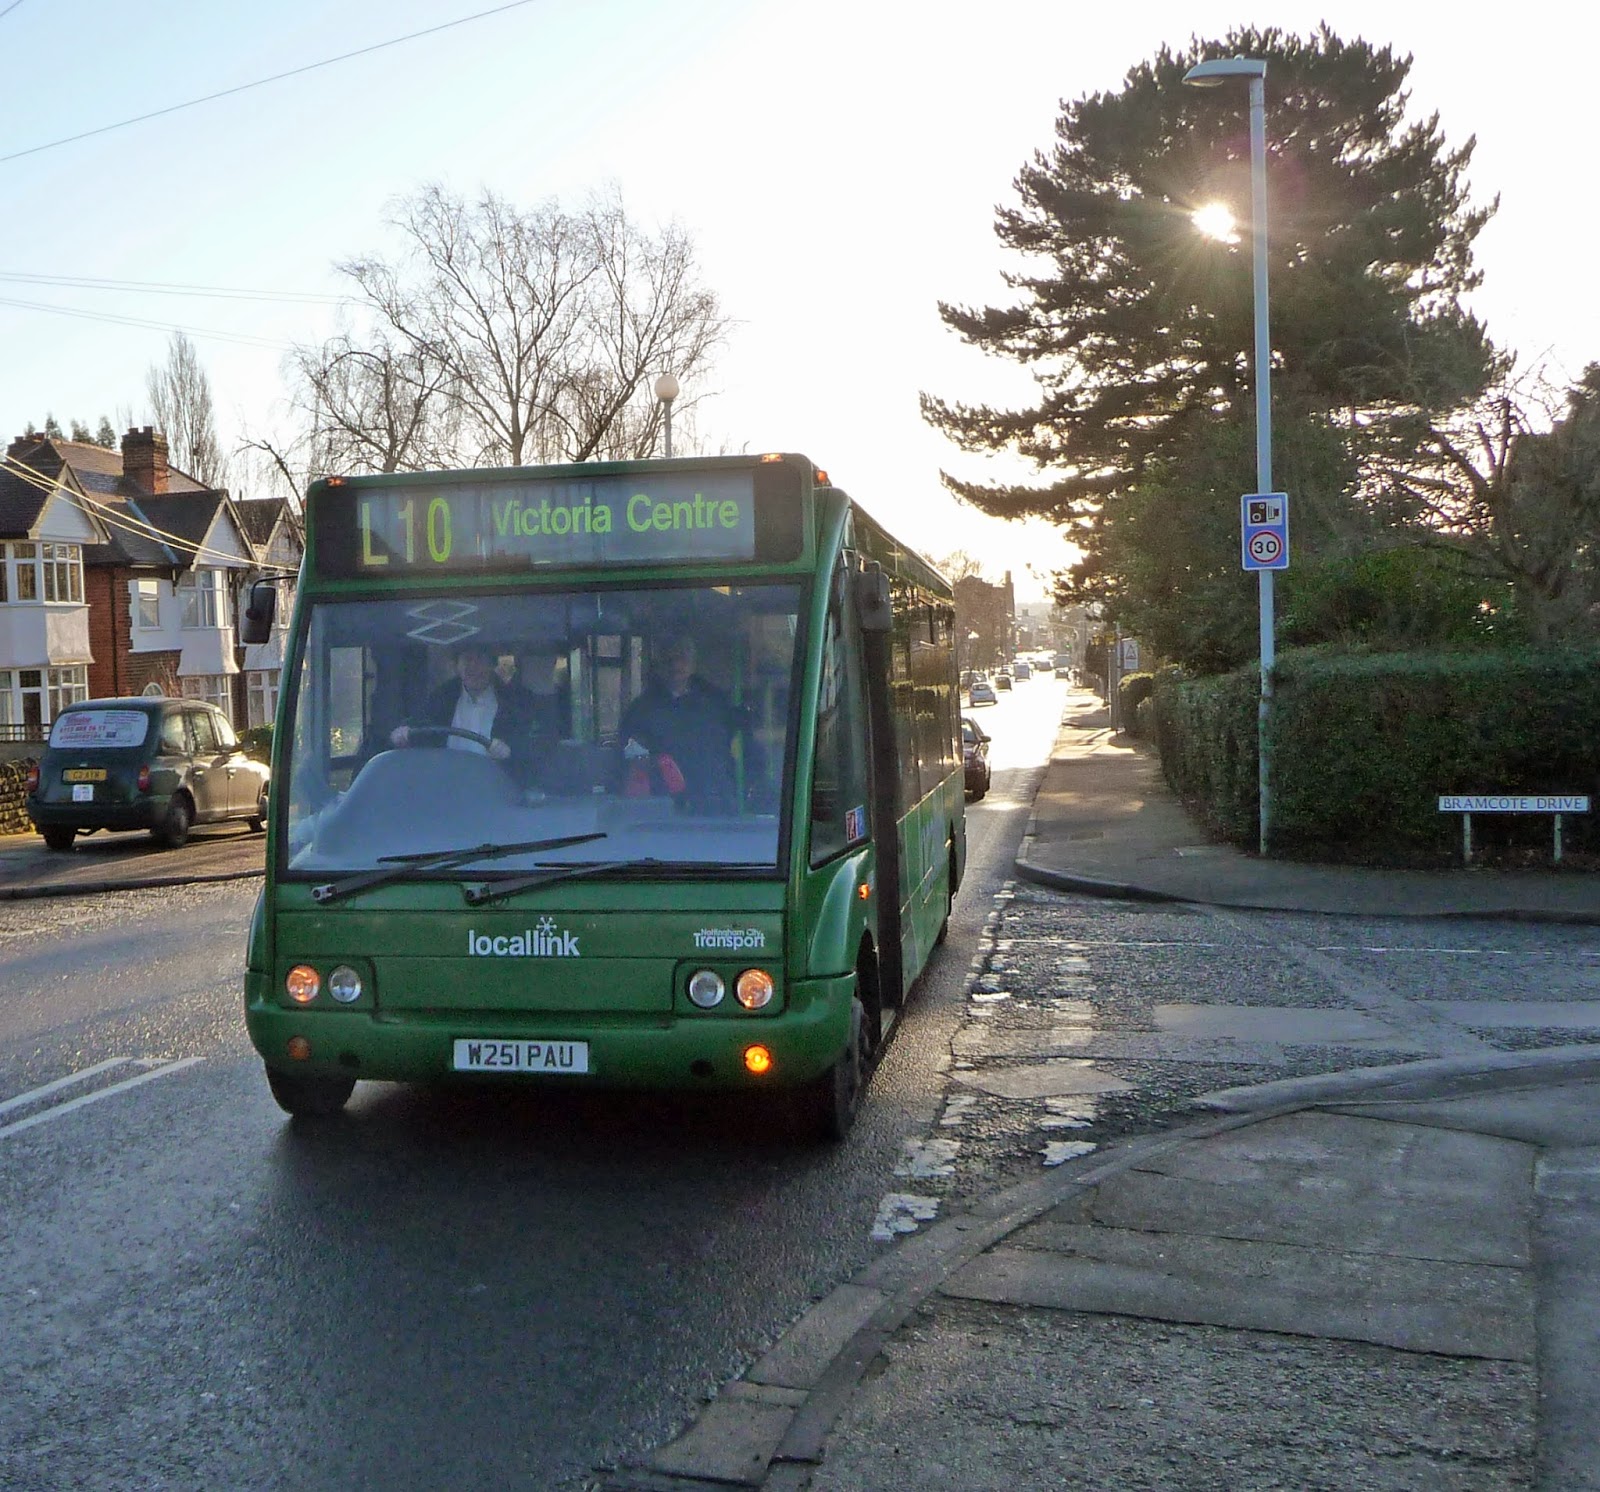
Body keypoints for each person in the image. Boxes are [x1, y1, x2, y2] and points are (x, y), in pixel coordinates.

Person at [620, 635, 740, 813]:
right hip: (660, 809)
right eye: (669, 660)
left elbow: (734, 749)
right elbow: (626, 759)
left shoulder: (717, 704)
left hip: (714, 803)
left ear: (693, 663)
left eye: (682, 658)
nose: (676, 666)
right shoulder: (640, 710)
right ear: (659, 666)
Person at [390, 641, 536, 782]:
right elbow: (420, 727)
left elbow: (528, 754)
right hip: (446, 787)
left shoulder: (513, 703)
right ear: (457, 666)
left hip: (495, 792)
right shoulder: (442, 698)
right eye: (467, 659)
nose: (473, 666)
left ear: (492, 664)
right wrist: (403, 732)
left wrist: (508, 753)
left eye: (479, 659)